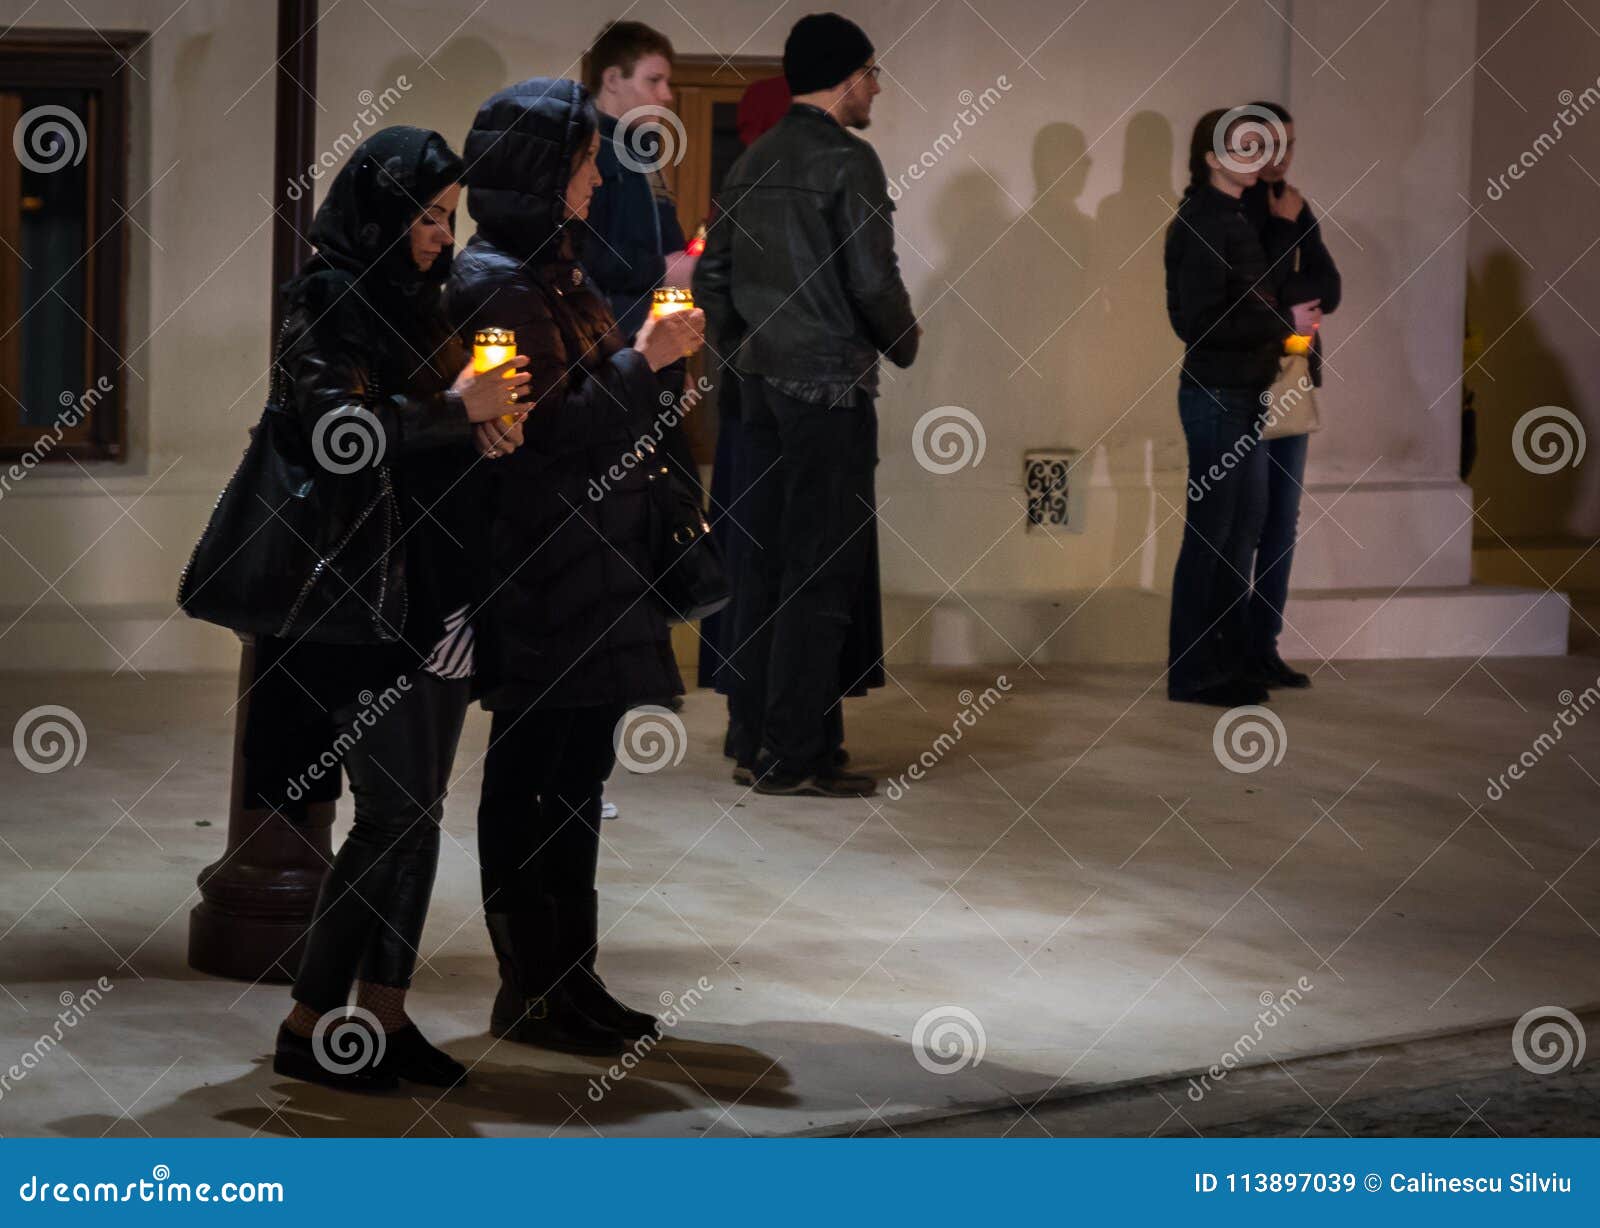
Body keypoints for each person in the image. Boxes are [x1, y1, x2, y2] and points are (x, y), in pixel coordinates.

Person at [265, 126, 532, 1091]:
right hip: (364, 599)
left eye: (446, 214)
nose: (438, 233)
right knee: (388, 815)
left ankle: (383, 1016)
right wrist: (456, 412)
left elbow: (438, 430)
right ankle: (307, 1024)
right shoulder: (329, 299)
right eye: (422, 214)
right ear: (379, 210)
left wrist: (486, 431)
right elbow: (340, 433)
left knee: (417, 818)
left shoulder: (432, 299)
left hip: (442, 591)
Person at [447, 78, 706, 1053]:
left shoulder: (553, 270)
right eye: (586, 161)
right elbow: (541, 431)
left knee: (578, 778)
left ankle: (570, 975)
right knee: (536, 778)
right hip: (540, 571)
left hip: (590, 569)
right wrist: (646, 359)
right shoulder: (497, 285)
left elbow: (594, 402)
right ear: (546, 171)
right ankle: (533, 987)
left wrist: (649, 358)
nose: (600, 179)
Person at [695, 12, 918, 797]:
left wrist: (744, 351)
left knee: (767, 566)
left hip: (758, 392)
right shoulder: (848, 163)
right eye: (872, 74)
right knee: (823, 574)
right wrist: (904, 339)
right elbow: (871, 278)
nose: (878, 88)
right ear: (848, 76)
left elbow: (710, 279)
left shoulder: (752, 159)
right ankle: (796, 756)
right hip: (828, 389)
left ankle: (765, 740)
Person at [1162, 109, 1320, 708]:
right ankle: (1195, 671)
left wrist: (1286, 317)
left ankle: (1222, 663)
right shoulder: (1203, 219)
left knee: (1239, 531)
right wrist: (1287, 321)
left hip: (1240, 393)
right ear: (1211, 157)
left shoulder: (1230, 216)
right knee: (1214, 535)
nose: (1256, 155)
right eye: (1243, 146)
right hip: (1217, 394)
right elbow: (1197, 322)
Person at [1240, 101, 1341, 690]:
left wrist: (1294, 298)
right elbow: (1252, 290)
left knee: (1282, 519)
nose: (1284, 157)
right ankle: (1231, 644)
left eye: (1291, 145)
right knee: (1243, 518)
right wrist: (1290, 300)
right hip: (1245, 377)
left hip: (1294, 375)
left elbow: (1329, 286)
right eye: (1273, 144)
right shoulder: (1239, 209)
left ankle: (1264, 644)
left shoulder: (1297, 206)